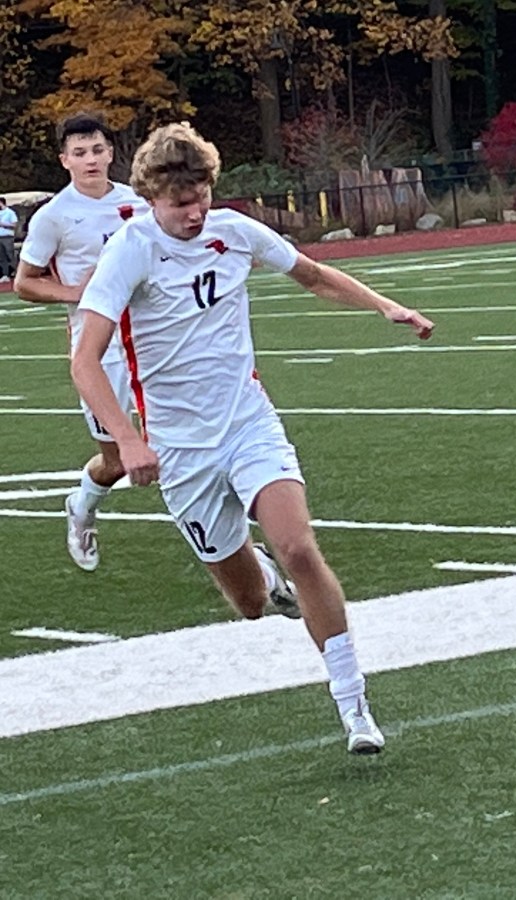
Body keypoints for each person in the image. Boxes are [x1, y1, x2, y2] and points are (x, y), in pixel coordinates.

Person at [71, 121, 435, 754]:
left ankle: (354, 707)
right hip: (182, 450)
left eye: (201, 198)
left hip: (247, 422)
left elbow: (315, 275)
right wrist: (129, 440)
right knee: (248, 602)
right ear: (152, 197)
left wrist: (386, 306)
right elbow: (85, 360)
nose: (193, 213)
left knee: (298, 546)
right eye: (179, 204)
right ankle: (262, 577)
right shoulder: (131, 248)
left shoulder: (234, 231)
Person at [15, 113, 155, 572]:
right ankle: (82, 505)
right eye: (80, 153)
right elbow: (25, 283)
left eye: (97, 150)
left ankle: (232, 539)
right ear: (64, 160)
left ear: (111, 152)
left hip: (154, 339)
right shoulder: (53, 216)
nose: (90, 160)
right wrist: (82, 294)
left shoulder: (138, 203)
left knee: (180, 439)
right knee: (115, 462)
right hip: (100, 351)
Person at [0, 196, 17, 280]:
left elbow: (14, 225)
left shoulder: (10, 212)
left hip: (7, 237)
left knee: (10, 255)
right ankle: (5, 274)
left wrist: (3, 224)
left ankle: (17, 272)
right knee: (1, 257)